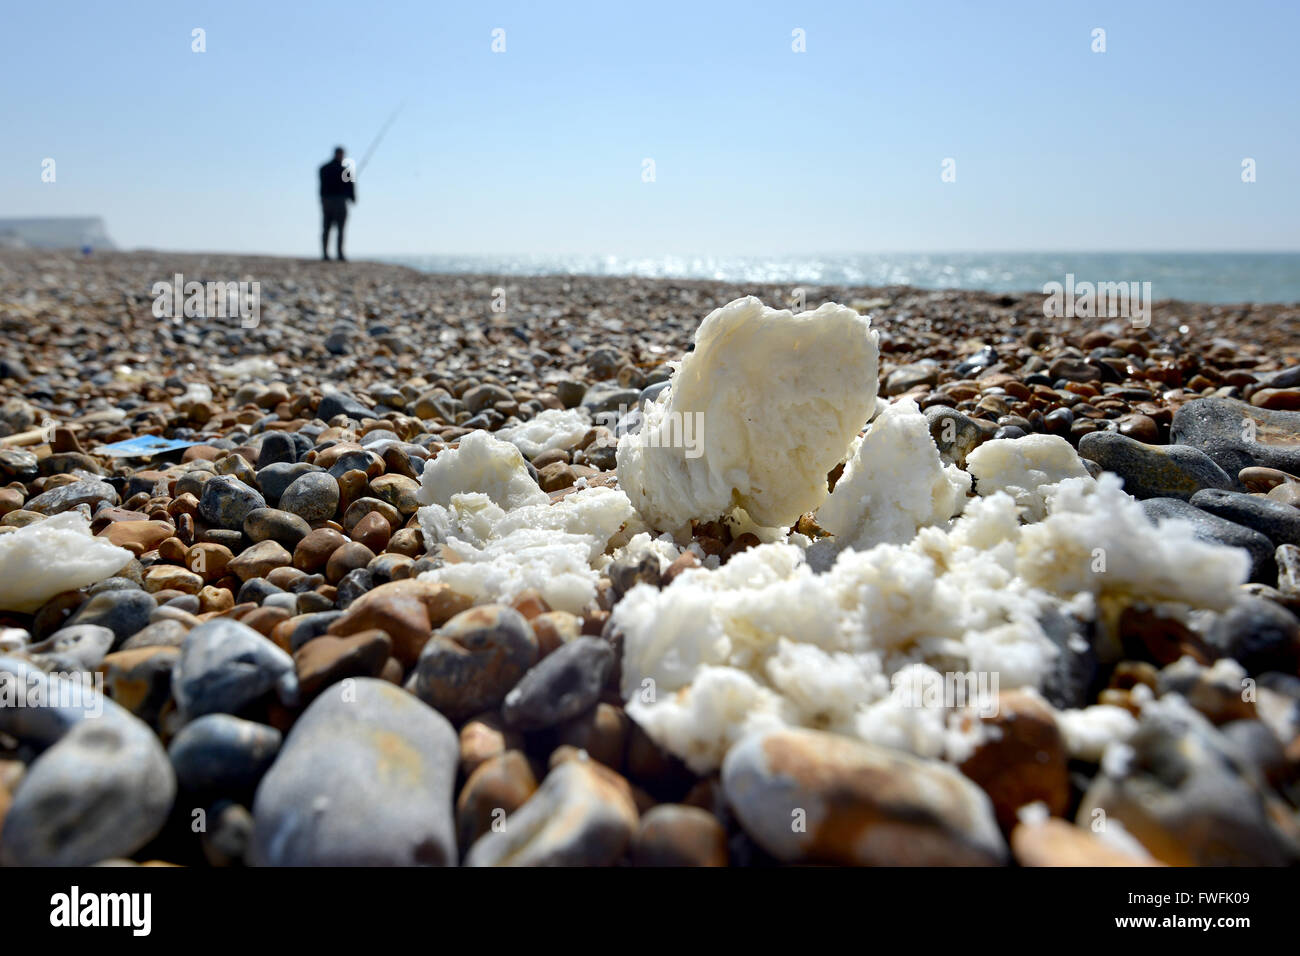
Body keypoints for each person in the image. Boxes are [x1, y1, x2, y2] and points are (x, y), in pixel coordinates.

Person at [318, 147, 356, 261]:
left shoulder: (324, 168)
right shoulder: (344, 170)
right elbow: (350, 186)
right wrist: (352, 197)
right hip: (337, 201)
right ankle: (336, 254)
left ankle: (329, 254)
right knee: (335, 228)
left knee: (329, 229)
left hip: (327, 201)